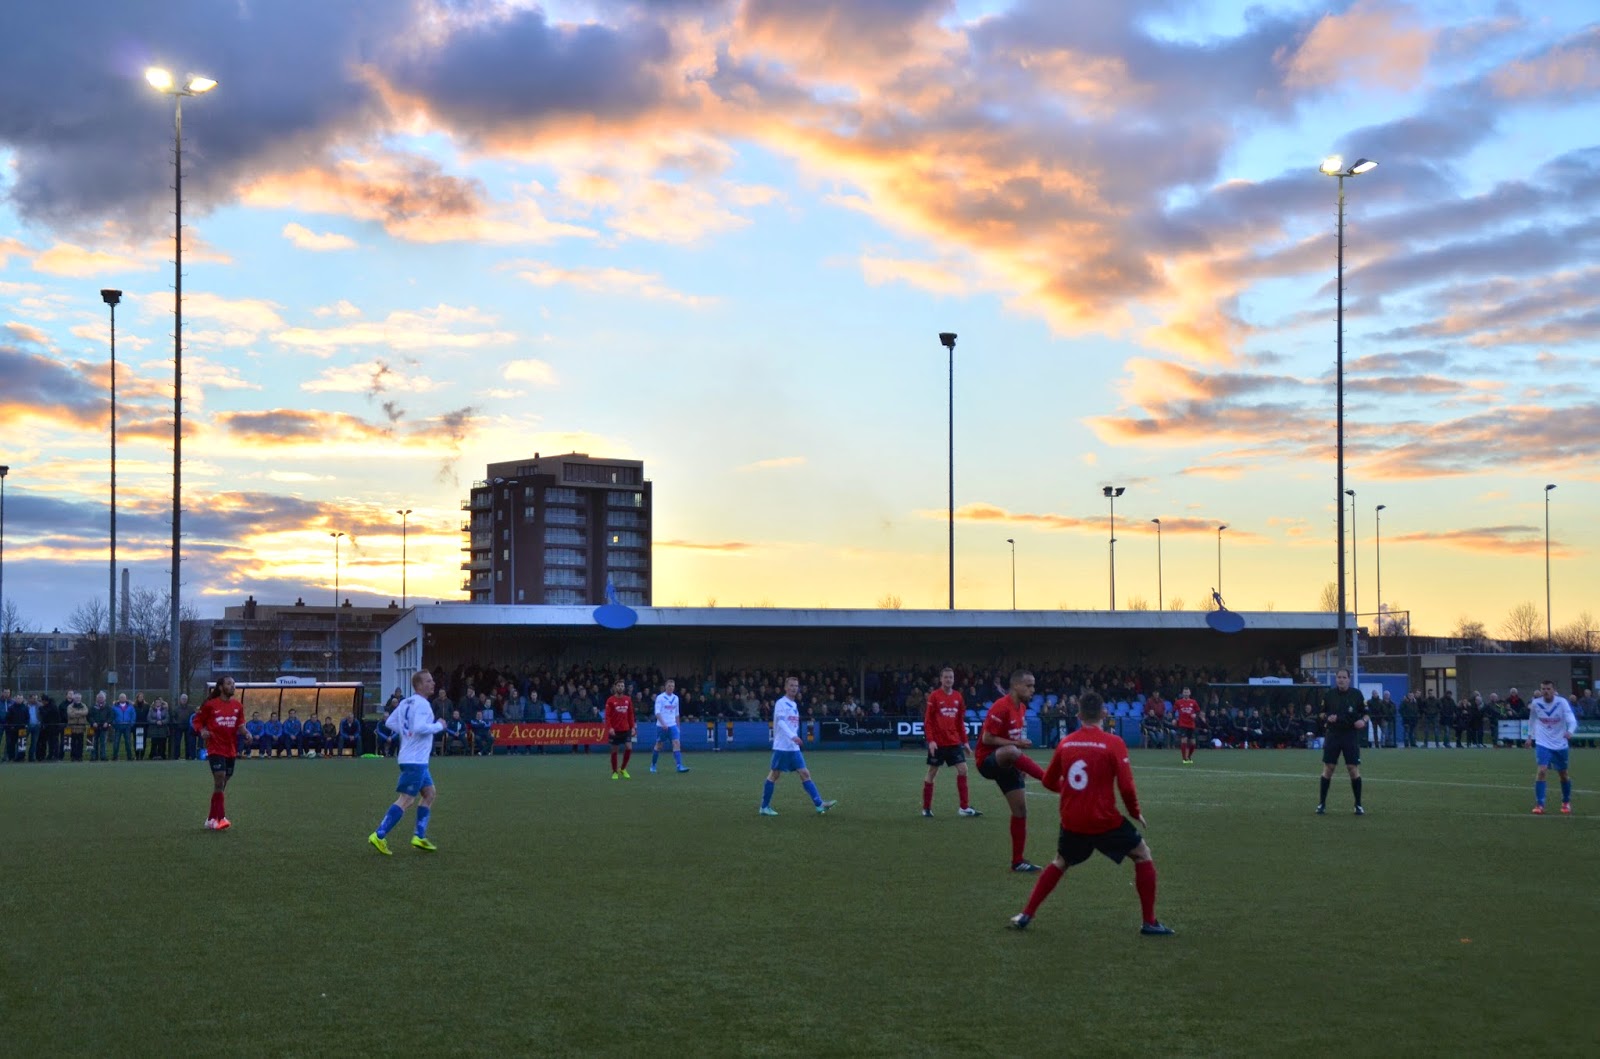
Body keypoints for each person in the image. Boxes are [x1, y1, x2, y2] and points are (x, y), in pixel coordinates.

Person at [1009, 692, 1174, 936]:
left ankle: (1026, 914)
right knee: (1142, 855)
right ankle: (1149, 922)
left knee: (1060, 862)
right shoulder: (1114, 743)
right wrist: (1135, 812)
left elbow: (1048, 781)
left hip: (1073, 820)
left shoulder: (1066, 743)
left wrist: (1069, 791)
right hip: (1104, 820)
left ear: (1078, 716)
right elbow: (1126, 787)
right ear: (1104, 713)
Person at [368, 669, 445, 855]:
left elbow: (390, 723)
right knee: (407, 799)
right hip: (415, 760)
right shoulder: (423, 705)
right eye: (429, 681)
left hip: (413, 758)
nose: (433, 683)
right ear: (419, 685)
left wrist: (407, 733)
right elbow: (419, 727)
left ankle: (419, 836)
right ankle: (379, 835)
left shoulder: (405, 703)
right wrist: (439, 726)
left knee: (429, 794)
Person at [758, 676, 836, 816]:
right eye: (791, 685)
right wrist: (793, 736)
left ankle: (819, 805)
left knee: (805, 773)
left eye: (796, 686)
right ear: (786, 688)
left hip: (793, 747)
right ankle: (764, 807)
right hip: (782, 746)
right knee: (774, 775)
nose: (794, 688)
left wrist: (794, 738)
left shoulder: (794, 705)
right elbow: (781, 723)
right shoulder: (781, 703)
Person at [193, 676, 250, 830]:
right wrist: (202, 730)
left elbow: (240, 725)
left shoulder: (238, 706)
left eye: (234, 684)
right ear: (220, 687)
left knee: (222, 784)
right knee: (219, 778)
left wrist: (246, 734)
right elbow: (197, 721)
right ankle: (220, 817)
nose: (232, 686)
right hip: (215, 748)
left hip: (230, 749)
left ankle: (211, 818)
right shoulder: (210, 705)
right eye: (229, 684)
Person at [921, 665, 979, 817]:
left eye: (951, 677)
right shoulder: (934, 696)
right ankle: (926, 808)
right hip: (938, 743)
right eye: (946, 677)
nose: (948, 680)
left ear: (954, 680)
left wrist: (965, 742)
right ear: (941, 679)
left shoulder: (958, 697)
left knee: (963, 769)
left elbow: (960, 722)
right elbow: (928, 721)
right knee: (932, 772)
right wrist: (931, 740)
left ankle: (964, 808)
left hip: (954, 742)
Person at [1317, 668, 1368, 816]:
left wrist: (1363, 721)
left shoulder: (1357, 695)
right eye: (1339, 677)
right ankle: (1321, 804)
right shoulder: (1329, 695)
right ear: (1336, 679)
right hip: (1333, 735)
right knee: (1328, 768)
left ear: (1349, 679)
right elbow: (1321, 713)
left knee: (1352, 768)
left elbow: (1366, 713)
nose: (1341, 680)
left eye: (1344, 677)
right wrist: (1327, 717)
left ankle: (1358, 805)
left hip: (1350, 735)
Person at [1527, 679, 1578, 815]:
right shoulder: (1536, 704)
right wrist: (1529, 736)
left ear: (1553, 690)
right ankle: (1540, 804)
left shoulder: (1561, 702)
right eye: (1543, 689)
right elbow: (1532, 720)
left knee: (1563, 774)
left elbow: (1571, 719)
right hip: (1542, 742)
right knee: (1542, 771)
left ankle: (1566, 802)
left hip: (1560, 743)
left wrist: (1570, 731)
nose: (1546, 691)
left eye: (1548, 689)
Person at [650, 678, 690, 774]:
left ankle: (679, 766)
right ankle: (653, 764)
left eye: (672, 686)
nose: (671, 688)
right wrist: (663, 723)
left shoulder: (676, 698)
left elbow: (676, 714)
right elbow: (657, 712)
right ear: (665, 687)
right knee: (659, 745)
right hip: (661, 726)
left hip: (672, 725)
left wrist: (678, 727)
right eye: (669, 686)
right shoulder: (660, 698)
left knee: (676, 743)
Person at [604, 679, 636, 779]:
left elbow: (630, 714)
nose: (620, 687)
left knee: (629, 748)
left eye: (622, 686)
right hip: (615, 730)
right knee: (614, 750)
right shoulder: (610, 700)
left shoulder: (628, 699)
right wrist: (610, 728)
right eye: (619, 686)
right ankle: (614, 772)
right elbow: (607, 716)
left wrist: (633, 727)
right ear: (615, 687)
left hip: (626, 729)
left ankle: (622, 769)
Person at [1173, 687, 1201, 764]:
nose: (1186, 694)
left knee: (1193, 743)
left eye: (1187, 692)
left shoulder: (1193, 702)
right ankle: (1184, 759)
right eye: (1184, 692)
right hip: (1182, 724)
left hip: (1191, 725)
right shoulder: (1178, 702)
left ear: (1189, 693)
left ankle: (1189, 756)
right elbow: (1173, 711)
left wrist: (1195, 715)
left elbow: (1198, 711)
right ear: (1182, 693)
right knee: (1184, 740)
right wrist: (1174, 719)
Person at [110, 693, 136, 761]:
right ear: (119, 698)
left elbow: (133, 716)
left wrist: (131, 724)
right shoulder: (114, 707)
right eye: (121, 697)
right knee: (116, 742)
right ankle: (115, 756)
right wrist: (114, 724)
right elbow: (112, 716)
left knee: (128, 742)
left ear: (126, 698)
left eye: (123, 697)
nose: (122, 699)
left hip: (127, 726)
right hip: (118, 726)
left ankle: (129, 757)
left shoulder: (130, 707)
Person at [65, 691, 89, 762]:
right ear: (74, 699)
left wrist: (76, 713)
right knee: (73, 743)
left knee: (80, 743)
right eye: (76, 698)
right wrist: (80, 714)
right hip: (73, 728)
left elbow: (86, 712)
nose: (78, 699)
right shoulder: (70, 706)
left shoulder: (84, 705)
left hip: (81, 728)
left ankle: (79, 756)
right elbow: (70, 714)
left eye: (79, 698)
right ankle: (73, 756)